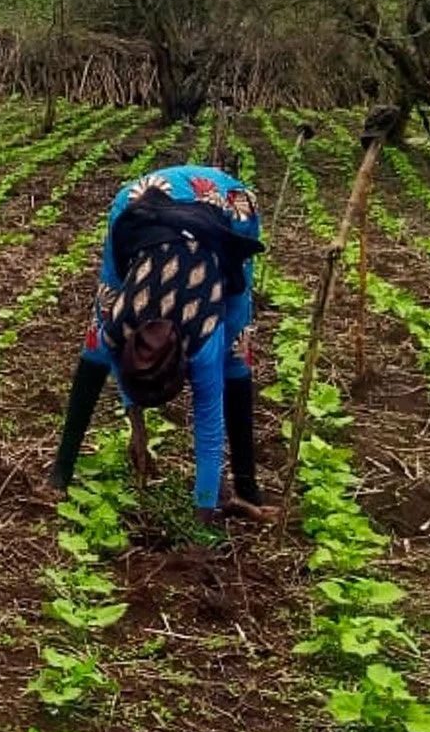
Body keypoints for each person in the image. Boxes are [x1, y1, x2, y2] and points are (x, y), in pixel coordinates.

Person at [46, 164, 277, 523]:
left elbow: (209, 424)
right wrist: (135, 422)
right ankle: (59, 474)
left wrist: (204, 514)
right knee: (92, 346)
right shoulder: (114, 328)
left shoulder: (203, 342)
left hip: (230, 206)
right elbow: (109, 361)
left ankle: (247, 487)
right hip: (137, 204)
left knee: (235, 350)